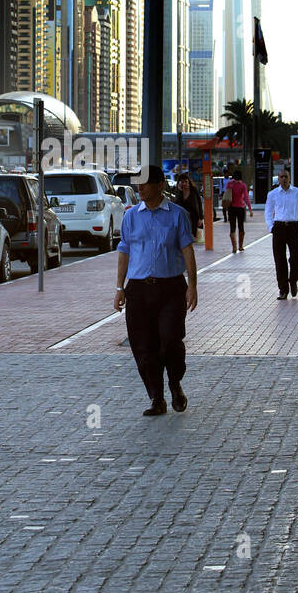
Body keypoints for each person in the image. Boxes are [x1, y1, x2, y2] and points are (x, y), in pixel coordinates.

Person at [114, 165, 198, 416]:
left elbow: (187, 251)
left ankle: (174, 382)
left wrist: (192, 285)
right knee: (142, 346)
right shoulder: (131, 216)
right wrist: (119, 288)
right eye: (137, 183)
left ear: (160, 185)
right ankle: (156, 398)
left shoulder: (177, 215)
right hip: (138, 290)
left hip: (171, 288)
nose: (139, 188)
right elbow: (124, 250)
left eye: (145, 183)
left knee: (170, 341)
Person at [264, 166, 298, 299]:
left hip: (294, 227)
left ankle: (293, 281)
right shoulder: (272, 194)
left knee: (296, 260)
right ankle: (283, 290)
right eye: (281, 177)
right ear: (278, 179)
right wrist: (271, 227)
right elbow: (268, 211)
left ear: (290, 178)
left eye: (286, 177)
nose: (284, 179)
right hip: (278, 227)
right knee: (279, 260)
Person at [223, 169, 253, 253]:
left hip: (231, 208)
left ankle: (234, 247)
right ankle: (240, 246)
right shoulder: (243, 185)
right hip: (240, 208)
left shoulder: (229, 184)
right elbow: (246, 198)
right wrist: (250, 209)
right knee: (241, 227)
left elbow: (227, 195)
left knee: (232, 228)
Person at [174, 173, 203, 240]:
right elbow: (177, 204)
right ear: (179, 183)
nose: (184, 184)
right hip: (182, 218)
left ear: (189, 182)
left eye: (186, 182)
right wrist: (180, 191)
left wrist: (200, 218)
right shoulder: (178, 192)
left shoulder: (193, 190)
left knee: (193, 237)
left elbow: (199, 203)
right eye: (182, 182)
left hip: (194, 217)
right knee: (184, 237)